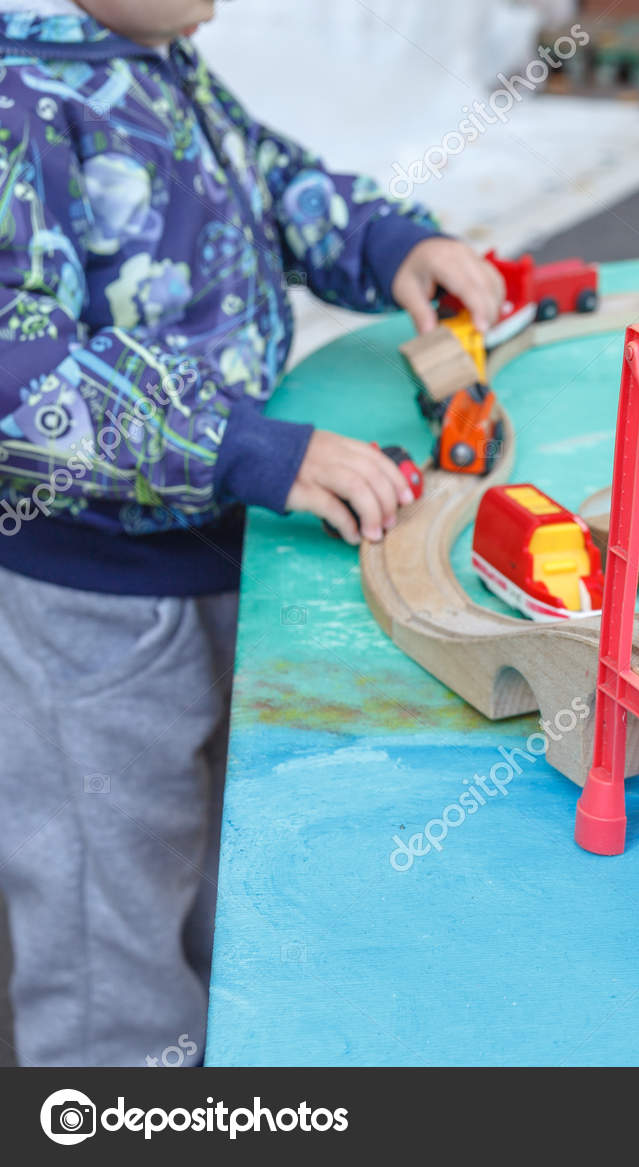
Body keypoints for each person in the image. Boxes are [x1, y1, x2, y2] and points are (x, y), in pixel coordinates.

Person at [0, 0, 503, 1065]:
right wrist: (255, 449)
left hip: (214, 537)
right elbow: (18, 379)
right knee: (111, 916)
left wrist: (384, 241)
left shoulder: (148, 47)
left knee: (218, 849)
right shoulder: (17, 94)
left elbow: (261, 181)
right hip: (93, 600)